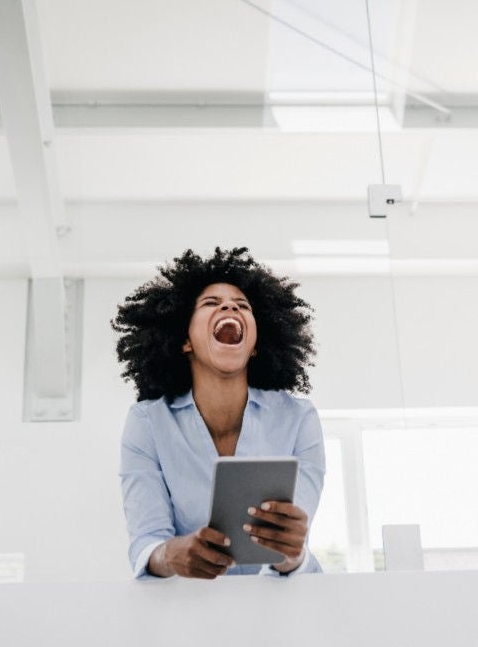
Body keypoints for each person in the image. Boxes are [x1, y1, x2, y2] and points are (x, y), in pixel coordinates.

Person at [113, 246, 324, 579]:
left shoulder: (298, 419)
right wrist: (169, 554)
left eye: (243, 305)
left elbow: (294, 548)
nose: (230, 306)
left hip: (278, 603)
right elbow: (146, 541)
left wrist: (289, 554)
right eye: (211, 303)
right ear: (185, 340)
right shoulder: (148, 422)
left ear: (254, 346)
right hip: (187, 603)